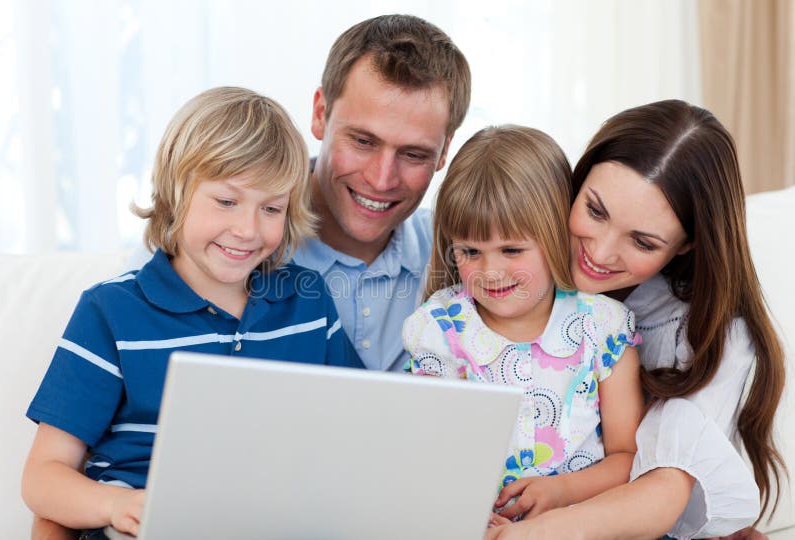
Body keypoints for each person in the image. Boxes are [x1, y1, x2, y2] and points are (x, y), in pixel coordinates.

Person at [22, 87, 363, 538]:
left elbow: (362, 431)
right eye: (226, 201)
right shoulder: (111, 311)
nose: (247, 229)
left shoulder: (309, 302)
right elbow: (43, 476)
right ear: (176, 193)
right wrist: (115, 504)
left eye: (271, 208)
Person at [485, 100, 786, 539]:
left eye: (643, 243)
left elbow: (663, 489)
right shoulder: (513, 261)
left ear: (686, 246)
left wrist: (541, 531)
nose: (601, 253)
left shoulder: (707, 334)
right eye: (595, 211)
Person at [402, 125, 644, 520]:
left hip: (581, 524)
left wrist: (562, 490)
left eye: (511, 249)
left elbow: (627, 458)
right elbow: (429, 457)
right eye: (470, 251)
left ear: (553, 234)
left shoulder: (603, 327)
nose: (490, 271)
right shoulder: (439, 332)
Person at [292, 14, 471, 372]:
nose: (381, 179)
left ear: (444, 151)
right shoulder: (236, 242)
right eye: (362, 141)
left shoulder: (466, 260)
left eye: (413, 154)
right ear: (320, 113)